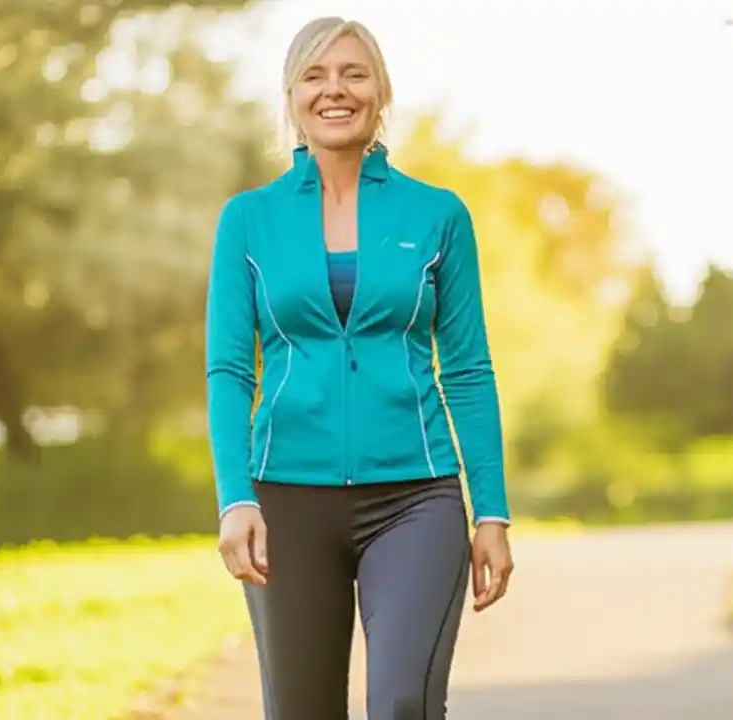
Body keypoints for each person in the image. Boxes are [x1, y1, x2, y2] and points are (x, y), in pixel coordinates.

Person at [203, 16, 514, 719]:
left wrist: (491, 511)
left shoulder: (437, 215)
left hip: (416, 498)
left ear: (381, 92)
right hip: (285, 499)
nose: (334, 90)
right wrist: (236, 498)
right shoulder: (248, 220)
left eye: (353, 73)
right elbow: (229, 370)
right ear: (291, 96)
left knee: (403, 700)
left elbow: (467, 369)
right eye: (315, 75)